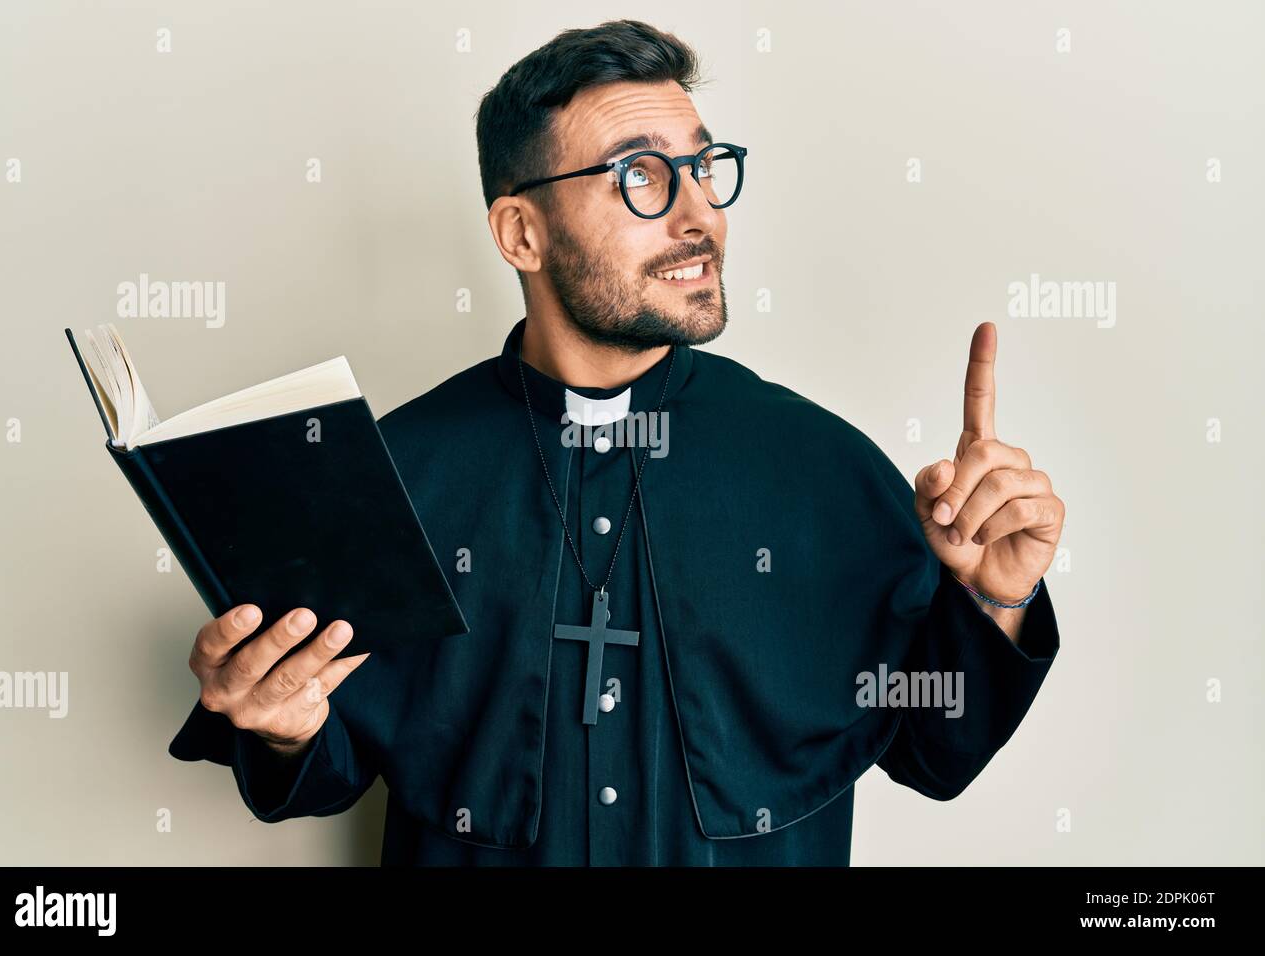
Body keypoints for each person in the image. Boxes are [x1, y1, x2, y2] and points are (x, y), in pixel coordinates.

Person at [170, 19, 1065, 865]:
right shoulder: (395, 477)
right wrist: (280, 722)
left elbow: (935, 756)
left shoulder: (824, 469)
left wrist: (994, 604)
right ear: (522, 232)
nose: (699, 216)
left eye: (704, 168)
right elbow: (325, 765)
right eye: (641, 176)